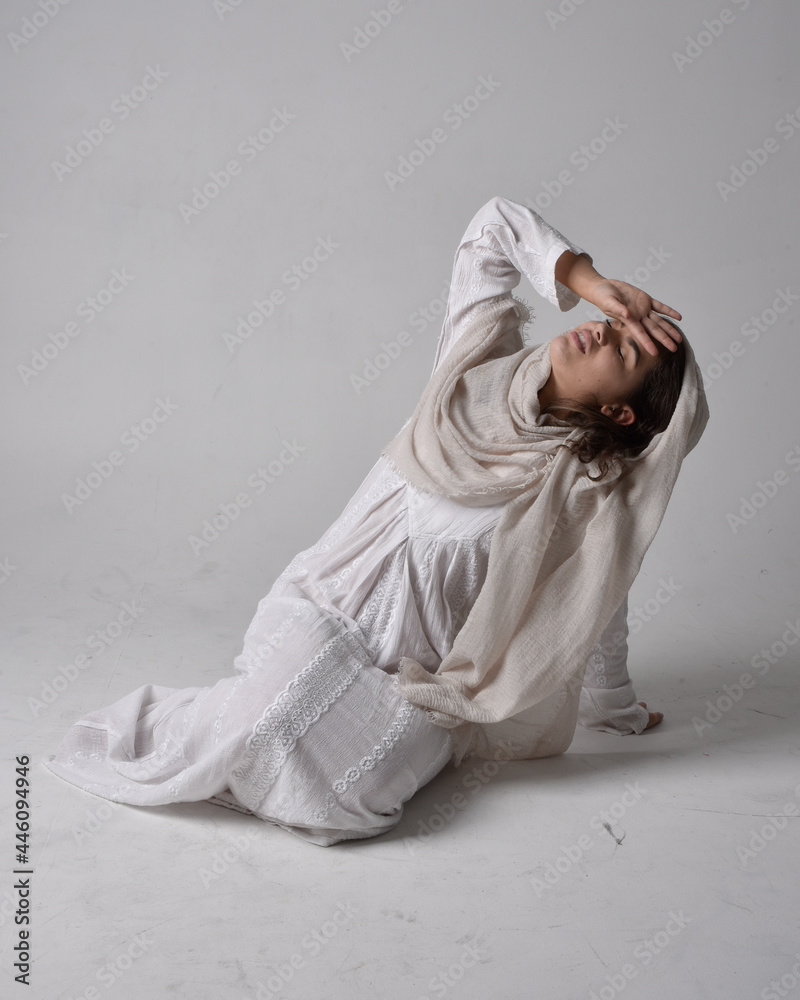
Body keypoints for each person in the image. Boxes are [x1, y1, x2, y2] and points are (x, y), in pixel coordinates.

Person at [44, 196, 708, 846]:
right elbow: (491, 229)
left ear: (622, 415)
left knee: (353, 799)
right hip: (321, 607)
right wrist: (592, 282)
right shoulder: (475, 364)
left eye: (618, 352)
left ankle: (281, 734)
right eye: (609, 323)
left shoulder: (588, 495)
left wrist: (614, 710)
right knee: (275, 718)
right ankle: (243, 722)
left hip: (419, 681)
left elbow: (592, 608)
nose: (598, 329)